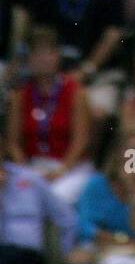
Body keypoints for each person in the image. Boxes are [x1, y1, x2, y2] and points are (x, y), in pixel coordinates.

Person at [5, 27, 92, 204]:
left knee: (55, 197)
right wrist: (25, 170)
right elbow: (12, 142)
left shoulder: (76, 92)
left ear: (58, 57)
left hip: (69, 167)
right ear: (29, 60)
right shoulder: (20, 95)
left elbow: (81, 140)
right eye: (37, 54)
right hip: (32, 166)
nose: (43, 60)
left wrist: (61, 170)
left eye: (48, 53)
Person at [0, 124, 76, 264]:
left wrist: (66, 261)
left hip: (25, 257)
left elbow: (67, 219)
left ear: (3, 149)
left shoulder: (30, 179)